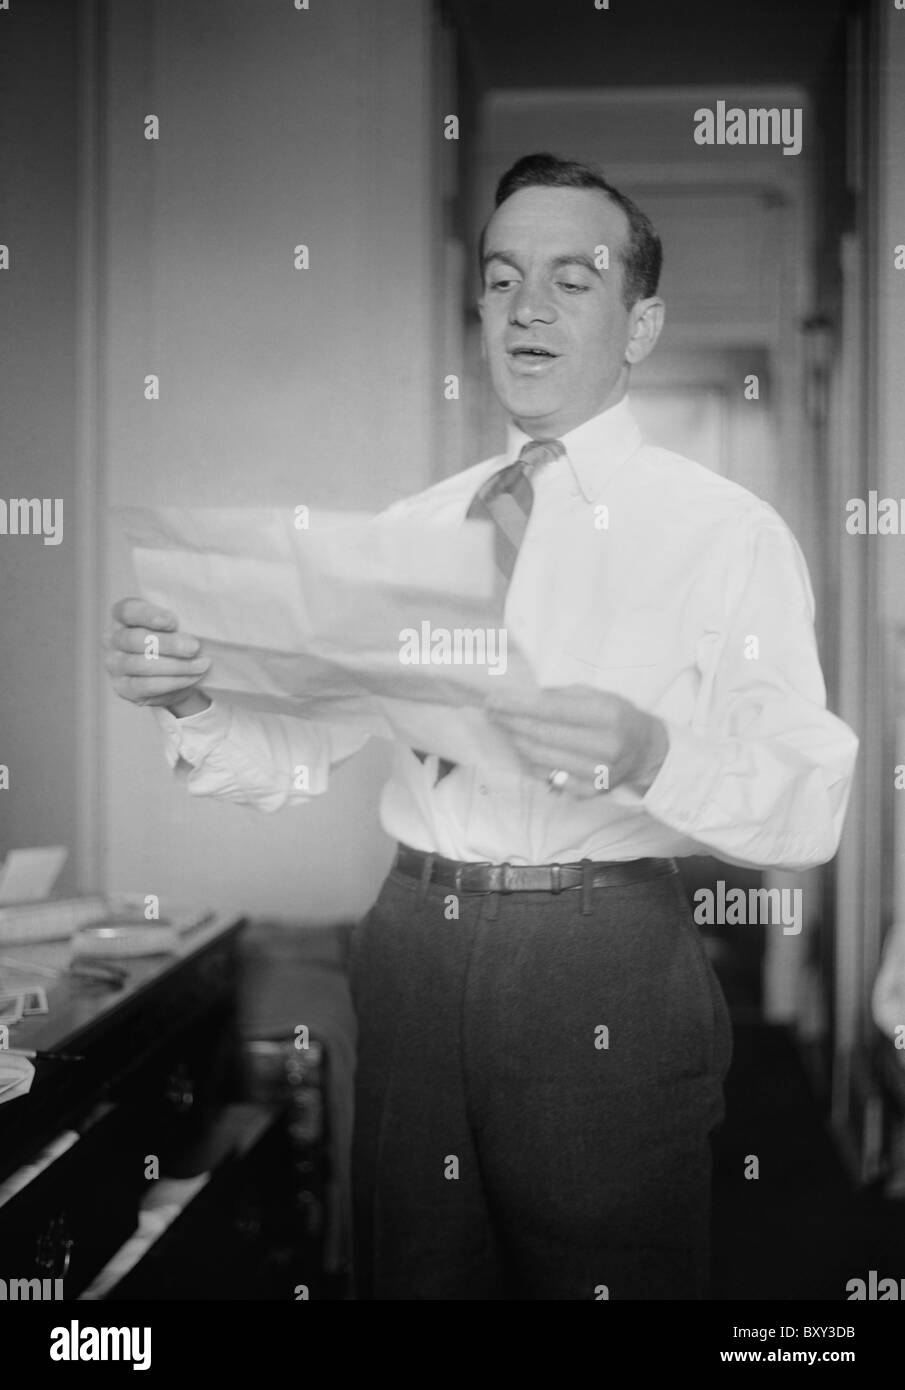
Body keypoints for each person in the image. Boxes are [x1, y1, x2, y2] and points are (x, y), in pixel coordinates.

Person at [104, 153, 858, 1301]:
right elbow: (303, 750)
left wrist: (651, 753)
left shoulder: (725, 535)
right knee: (415, 1275)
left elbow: (807, 802)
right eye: (501, 280)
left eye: (572, 278)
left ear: (639, 323)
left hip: (599, 962)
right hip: (411, 943)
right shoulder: (416, 528)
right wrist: (192, 699)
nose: (527, 308)